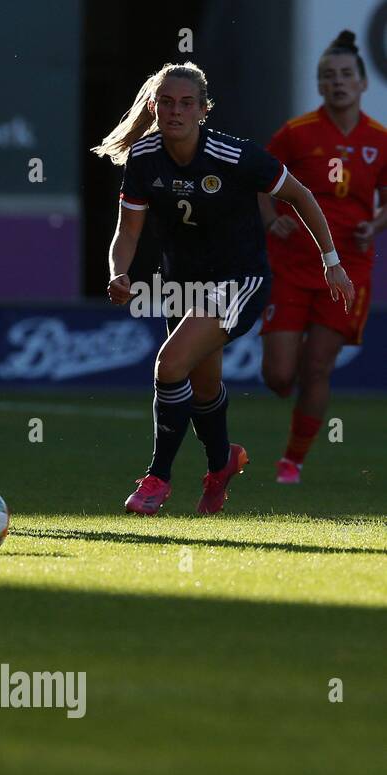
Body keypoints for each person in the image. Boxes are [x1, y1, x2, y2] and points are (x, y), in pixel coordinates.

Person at [93, 62, 354, 515]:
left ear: (203, 110)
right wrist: (119, 271)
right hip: (183, 284)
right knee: (203, 385)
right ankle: (222, 463)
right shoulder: (144, 157)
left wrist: (332, 262)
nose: (176, 111)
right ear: (154, 106)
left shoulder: (236, 156)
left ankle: (158, 478)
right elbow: (127, 233)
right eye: (167, 102)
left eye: (186, 103)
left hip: (240, 280)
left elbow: (302, 196)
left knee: (169, 364)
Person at [259, 31, 387, 484]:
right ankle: (292, 391)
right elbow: (260, 180)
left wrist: (374, 223)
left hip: (348, 268)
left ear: (363, 83)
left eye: (346, 75)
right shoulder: (296, 134)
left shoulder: (380, 138)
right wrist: (273, 218)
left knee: (318, 366)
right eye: (328, 76)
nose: (338, 83)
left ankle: (291, 461)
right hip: (292, 265)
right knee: (278, 376)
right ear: (319, 85)